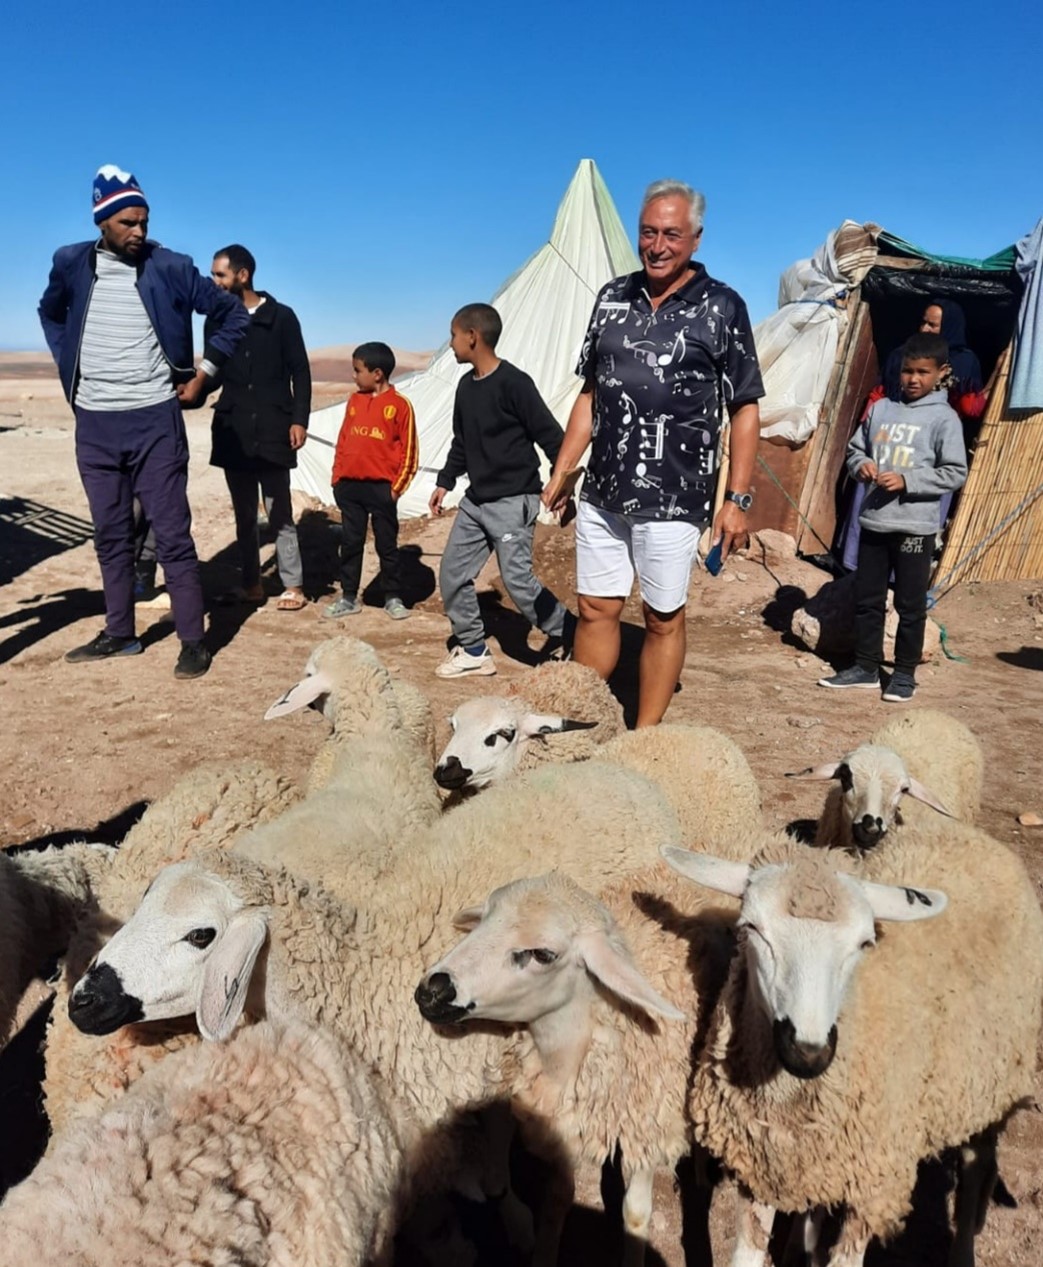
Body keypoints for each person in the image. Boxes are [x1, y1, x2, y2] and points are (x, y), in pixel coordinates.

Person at [544, 179, 764, 726]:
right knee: (595, 608)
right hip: (603, 490)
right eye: (648, 232)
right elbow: (591, 394)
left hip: (676, 493)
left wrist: (736, 499)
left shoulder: (722, 307)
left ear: (695, 239)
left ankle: (646, 737)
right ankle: (582, 722)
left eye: (671, 234)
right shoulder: (612, 298)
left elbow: (745, 407)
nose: (657, 245)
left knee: (662, 616)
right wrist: (564, 468)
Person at [38, 165, 249, 679]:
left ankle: (192, 640)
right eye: (128, 223)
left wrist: (205, 374)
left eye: (144, 221)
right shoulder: (70, 263)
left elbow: (235, 315)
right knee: (111, 534)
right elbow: (51, 312)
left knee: (172, 534)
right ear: (103, 222)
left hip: (155, 420)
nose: (139, 232)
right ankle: (119, 633)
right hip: (95, 424)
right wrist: (74, 368)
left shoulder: (171, 267)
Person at [819, 332, 967, 702]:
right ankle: (866, 668)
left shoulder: (945, 419)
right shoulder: (881, 409)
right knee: (868, 600)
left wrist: (907, 480)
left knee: (910, 604)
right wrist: (863, 465)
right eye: (907, 371)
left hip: (915, 527)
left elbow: (954, 472)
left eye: (922, 372)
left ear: (941, 372)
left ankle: (903, 674)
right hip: (874, 523)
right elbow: (855, 450)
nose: (913, 379)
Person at [428, 303, 571, 677]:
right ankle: (474, 649)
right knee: (452, 574)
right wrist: (445, 482)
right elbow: (463, 441)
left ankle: (573, 634)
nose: (451, 343)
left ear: (472, 337)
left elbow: (551, 436)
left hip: (513, 500)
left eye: (454, 334)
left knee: (518, 582)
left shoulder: (514, 383)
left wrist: (562, 486)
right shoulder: (465, 387)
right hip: (476, 501)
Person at [839, 298, 985, 571]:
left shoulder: (961, 363)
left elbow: (968, 407)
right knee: (872, 514)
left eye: (934, 324)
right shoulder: (902, 355)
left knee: (912, 524)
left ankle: (893, 577)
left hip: (926, 452)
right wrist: (871, 431)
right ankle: (859, 570)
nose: (926, 329)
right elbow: (880, 397)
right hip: (890, 446)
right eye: (924, 322)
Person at [207, 245, 311, 611]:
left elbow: (300, 370)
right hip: (234, 428)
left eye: (220, 275)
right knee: (244, 515)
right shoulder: (216, 319)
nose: (214, 281)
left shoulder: (282, 317)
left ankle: (293, 585)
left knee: (279, 511)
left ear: (243, 275)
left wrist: (300, 419)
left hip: (273, 427)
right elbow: (211, 369)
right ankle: (251, 584)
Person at [325, 342, 418, 620]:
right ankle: (349, 597)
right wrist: (337, 478)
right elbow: (343, 440)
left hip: (382, 489)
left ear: (377, 374)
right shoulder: (354, 401)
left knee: (387, 545)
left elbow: (410, 452)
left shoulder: (400, 406)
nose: (354, 376)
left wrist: (395, 490)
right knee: (351, 543)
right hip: (350, 487)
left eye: (357, 370)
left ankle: (392, 596)